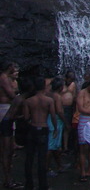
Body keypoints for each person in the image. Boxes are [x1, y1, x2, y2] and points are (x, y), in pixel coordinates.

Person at [22, 77, 55, 190]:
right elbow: (53, 116)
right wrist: (55, 128)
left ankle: (29, 184)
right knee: (42, 158)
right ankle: (43, 185)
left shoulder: (28, 101)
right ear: (44, 87)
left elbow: (26, 117)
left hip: (33, 128)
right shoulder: (49, 101)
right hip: (44, 129)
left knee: (29, 158)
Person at [1, 62, 20, 190]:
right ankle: (7, 180)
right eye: (15, 68)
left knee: (9, 148)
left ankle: (8, 178)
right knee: (5, 149)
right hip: (4, 111)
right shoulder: (3, 78)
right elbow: (12, 95)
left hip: (8, 111)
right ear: (9, 67)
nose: (17, 70)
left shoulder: (9, 79)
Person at [45, 78, 66, 175]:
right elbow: (59, 111)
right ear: (60, 88)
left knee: (55, 145)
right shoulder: (57, 97)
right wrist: (65, 121)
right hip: (56, 121)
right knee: (51, 146)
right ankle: (46, 168)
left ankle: (60, 165)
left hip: (48, 118)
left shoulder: (48, 94)